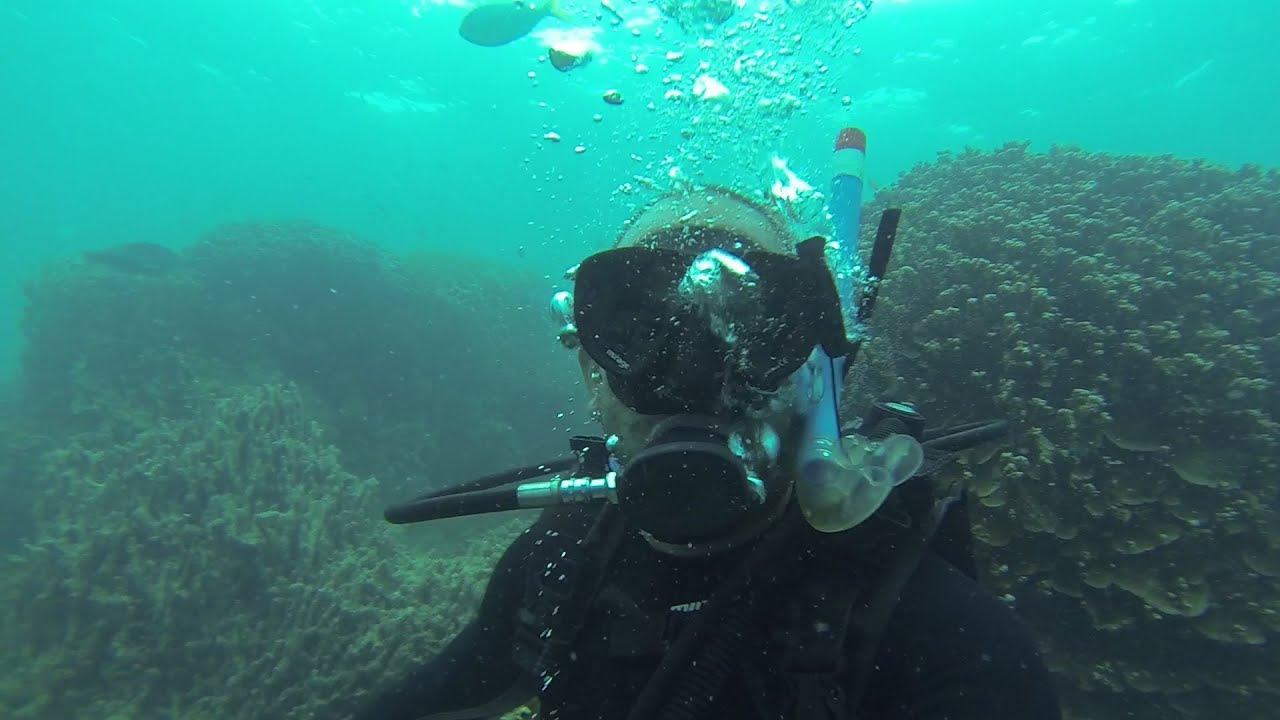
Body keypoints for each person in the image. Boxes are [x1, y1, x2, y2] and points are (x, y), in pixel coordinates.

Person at [357, 188, 1063, 720]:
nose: (695, 370)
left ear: (813, 374)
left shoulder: (937, 637)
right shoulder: (557, 566)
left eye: (755, 326)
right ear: (587, 368)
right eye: (637, 324)